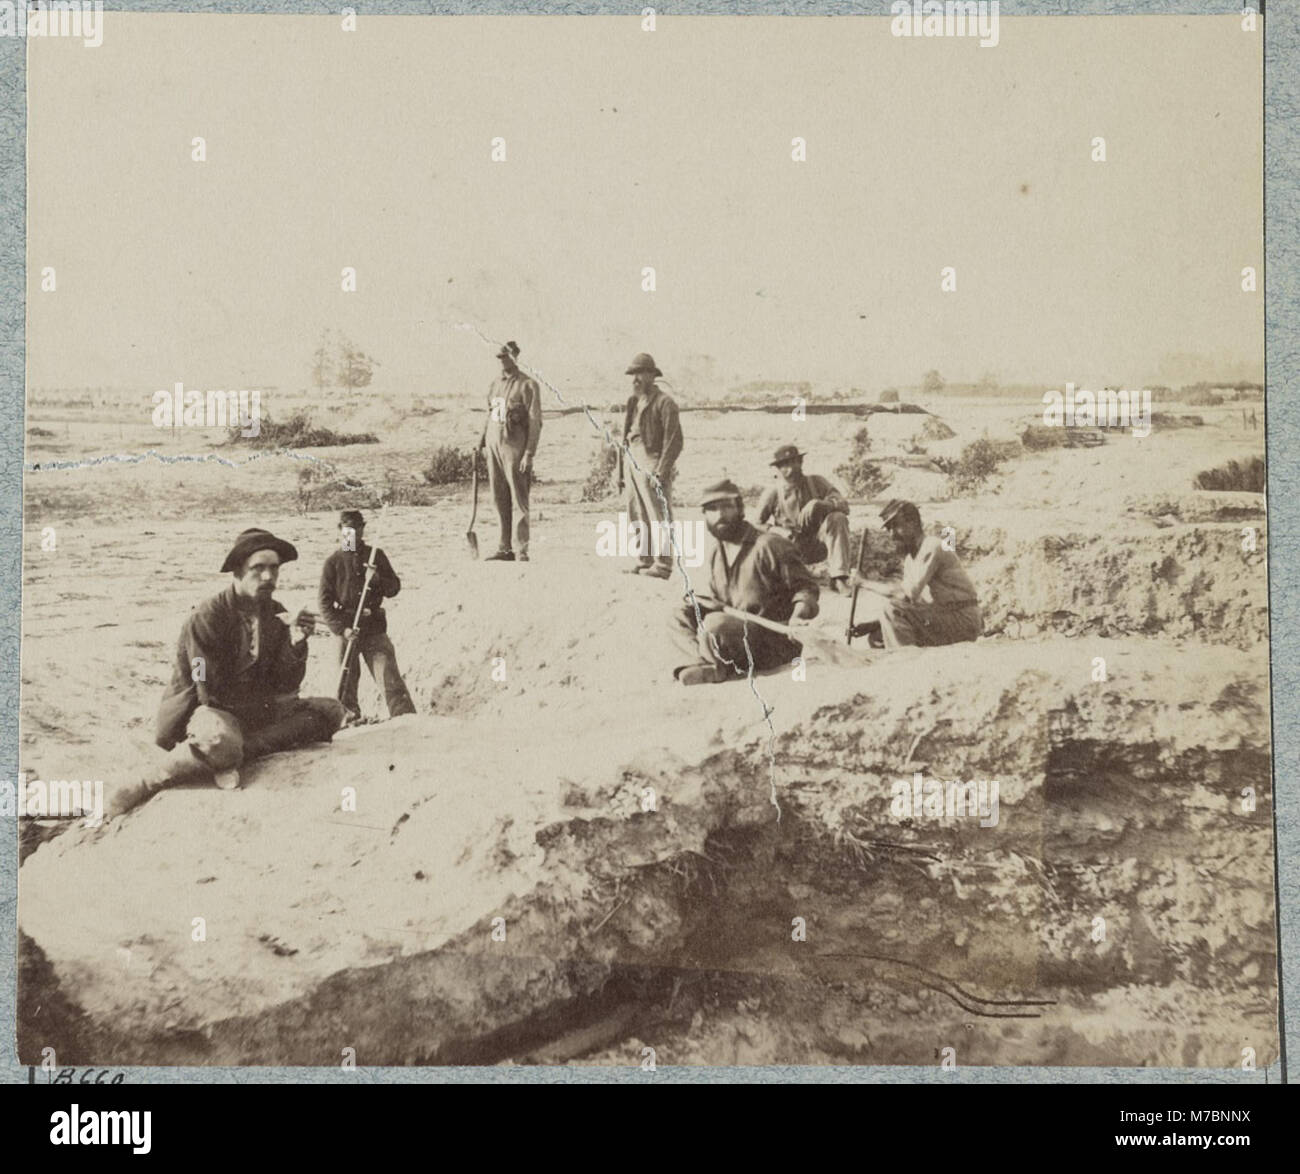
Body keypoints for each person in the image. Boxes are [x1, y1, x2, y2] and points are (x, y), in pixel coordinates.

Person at [108, 528, 345, 818]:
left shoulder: (276, 613)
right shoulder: (207, 617)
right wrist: (265, 708)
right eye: (258, 569)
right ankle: (145, 782)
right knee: (221, 739)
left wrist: (296, 642)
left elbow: (285, 683)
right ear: (237, 571)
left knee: (331, 712)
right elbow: (209, 692)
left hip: (254, 714)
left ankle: (234, 754)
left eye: (274, 568)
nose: (269, 577)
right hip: (207, 710)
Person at [672, 479, 820, 685]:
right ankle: (701, 662)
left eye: (726, 507)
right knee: (679, 614)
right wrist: (704, 603)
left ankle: (717, 667)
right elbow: (722, 600)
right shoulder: (717, 552)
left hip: (773, 643)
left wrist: (798, 616)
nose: (720, 515)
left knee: (715, 624)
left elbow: (806, 588)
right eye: (712, 509)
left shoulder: (770, 545)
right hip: (736, 634)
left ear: (740, 508)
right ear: (705, 516)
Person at [318, 510, 416, 723]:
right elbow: (324, 604)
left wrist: (377, 578)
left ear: (363, 529)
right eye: (347, 530)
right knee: (345, 682)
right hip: (346, 630)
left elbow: (394, 588)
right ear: (340, 530)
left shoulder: (375, 555)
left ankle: (405, 719)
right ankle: (349, 720)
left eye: (356, 529)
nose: (351, 535)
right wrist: (342, 630)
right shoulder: (332, 563)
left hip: (373, 628)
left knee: (389, 679)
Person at [874, 499, 981, 649]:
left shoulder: (933, 546)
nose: (892, 535)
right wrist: (875, 624)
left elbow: (906, 595)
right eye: (889, 529)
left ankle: (903, 663)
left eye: (895, 526)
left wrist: (863, 582)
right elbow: (912, 604)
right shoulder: (911, 559)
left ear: (912, 523)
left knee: (891, 610)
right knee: (878, 634)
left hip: (963, 620)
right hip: (944, 617)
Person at [757, 444, 853, 594]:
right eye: (786, 464)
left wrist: (821, 504)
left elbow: (844, 506)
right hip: (790, 548)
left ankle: (839, 578)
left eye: (796, 462)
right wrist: (779, 531)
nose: (793, 468)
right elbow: (756, 525)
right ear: (778, 468)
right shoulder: (772, 492)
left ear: (801, 462)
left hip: (818, 545)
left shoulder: (817, 482)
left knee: (838, 518)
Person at [479, 340, 543, 562]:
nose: (503, 361)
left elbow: (535, 421)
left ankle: (521, 549)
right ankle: (504, 547)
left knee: (519, 497)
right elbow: (490, 414)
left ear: (516, 356)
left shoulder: (528, 385)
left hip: (515, 444)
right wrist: (481, 442)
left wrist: (529, 453)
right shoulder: (495, 384)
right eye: (500, 357)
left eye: (506, 356)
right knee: (499, 497)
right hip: (493, 443)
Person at [621, 352, 683, 580]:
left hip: (652, 459)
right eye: (633, 374)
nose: (636, 379)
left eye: (640, 374)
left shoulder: (665, 403)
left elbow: (674, 440)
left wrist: (661, 470)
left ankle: (664, 564)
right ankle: (644, 559)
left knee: (659, 514)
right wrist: (622, 469)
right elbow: (626, 434)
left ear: (652, 376)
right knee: (636, 512)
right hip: (632, 457)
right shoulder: (633, 401)